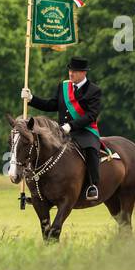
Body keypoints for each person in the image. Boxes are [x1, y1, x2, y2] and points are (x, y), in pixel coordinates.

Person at [21, 56, 103, 201]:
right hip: (61, 131)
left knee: (91, 150)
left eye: (75, 71)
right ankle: (38, 190)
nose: (71, 74)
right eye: (70, 70)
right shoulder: (63, 86)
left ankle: (93, 185)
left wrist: (71, 125)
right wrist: (32, 98)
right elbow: (52, 105)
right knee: (41, 147)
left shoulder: (94, 90)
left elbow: (91, 115)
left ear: (84, 73)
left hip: (85, 131)